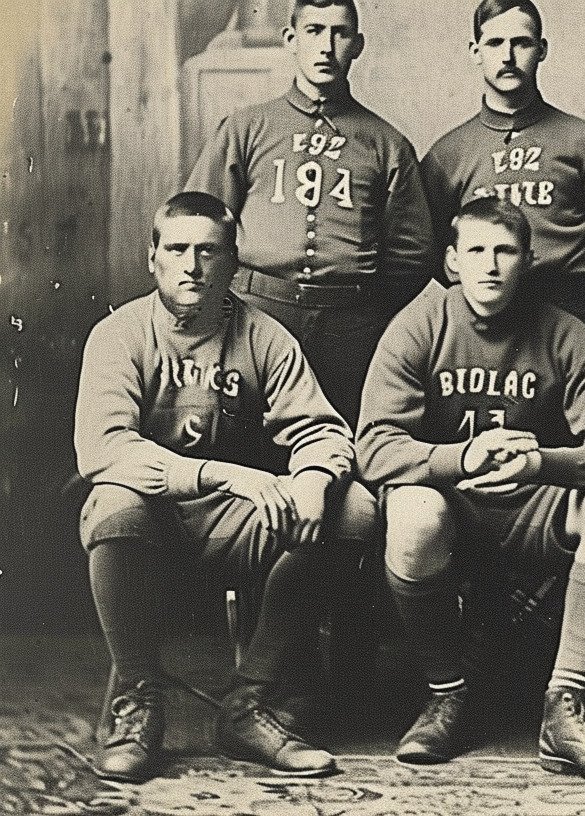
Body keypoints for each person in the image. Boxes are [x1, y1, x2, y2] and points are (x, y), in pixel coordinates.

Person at [74, 192, 378, 782]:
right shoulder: (119, 334)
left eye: (208, 251)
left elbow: (320, 429)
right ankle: (136, 706)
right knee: (114, 503)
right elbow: (105, 450)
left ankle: (249, 703)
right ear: (152, 256)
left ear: (233, 261)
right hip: (155, 518)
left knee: (356, 509)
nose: (192, 265)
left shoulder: (264, 336)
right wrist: (220, 474)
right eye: (178, 249)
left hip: (237, 521)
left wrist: (314, 480)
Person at [356, 196, 585, 785]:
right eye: (477, 252)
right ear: (452, 261)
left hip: (535, 502)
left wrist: (542, 460)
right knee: (411, 513)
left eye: (506, 251)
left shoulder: (564, 331)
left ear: (527, 260)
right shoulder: (418, 326)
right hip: (454, 504)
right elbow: (375, 447)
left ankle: (566, 707)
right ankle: (447, 694)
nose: (490, 266)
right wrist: (458, 457)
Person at [186, 0, 433, 429]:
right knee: (243, 441)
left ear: (357, 46)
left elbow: (415, 250)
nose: (326, 46)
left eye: (339, 34)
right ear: (291, 40)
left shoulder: (386, 143)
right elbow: (201, 221)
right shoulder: (246, 127)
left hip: (348, 329)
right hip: (254, 314)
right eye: (314, 31)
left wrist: (364, 304)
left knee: (339, 443)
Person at [420, 0, 585, 340]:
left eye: (521, 42)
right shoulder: (447, 154)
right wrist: (471, 280)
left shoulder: (583, 140)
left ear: (541, 49)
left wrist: (581, 264)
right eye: (494, 43)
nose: (508, 56)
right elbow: (425, 240)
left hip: (568, 309)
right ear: (475, 50)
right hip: (487, 316)